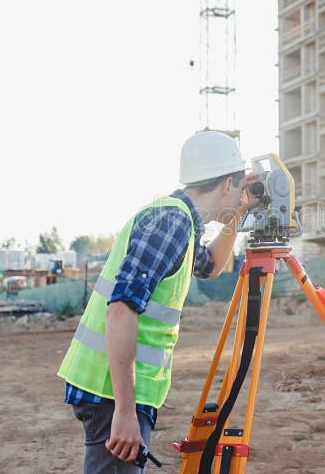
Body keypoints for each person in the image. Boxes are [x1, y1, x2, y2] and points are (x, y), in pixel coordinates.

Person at [57, 130, 259, 473]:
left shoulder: (178, 219)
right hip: (111, 392)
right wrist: (124, 410)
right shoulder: (172, 222)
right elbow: (121, 308)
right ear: (227, 184)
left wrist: (238, 214)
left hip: (112, 386)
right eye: (237, 187)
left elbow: (209, 267)